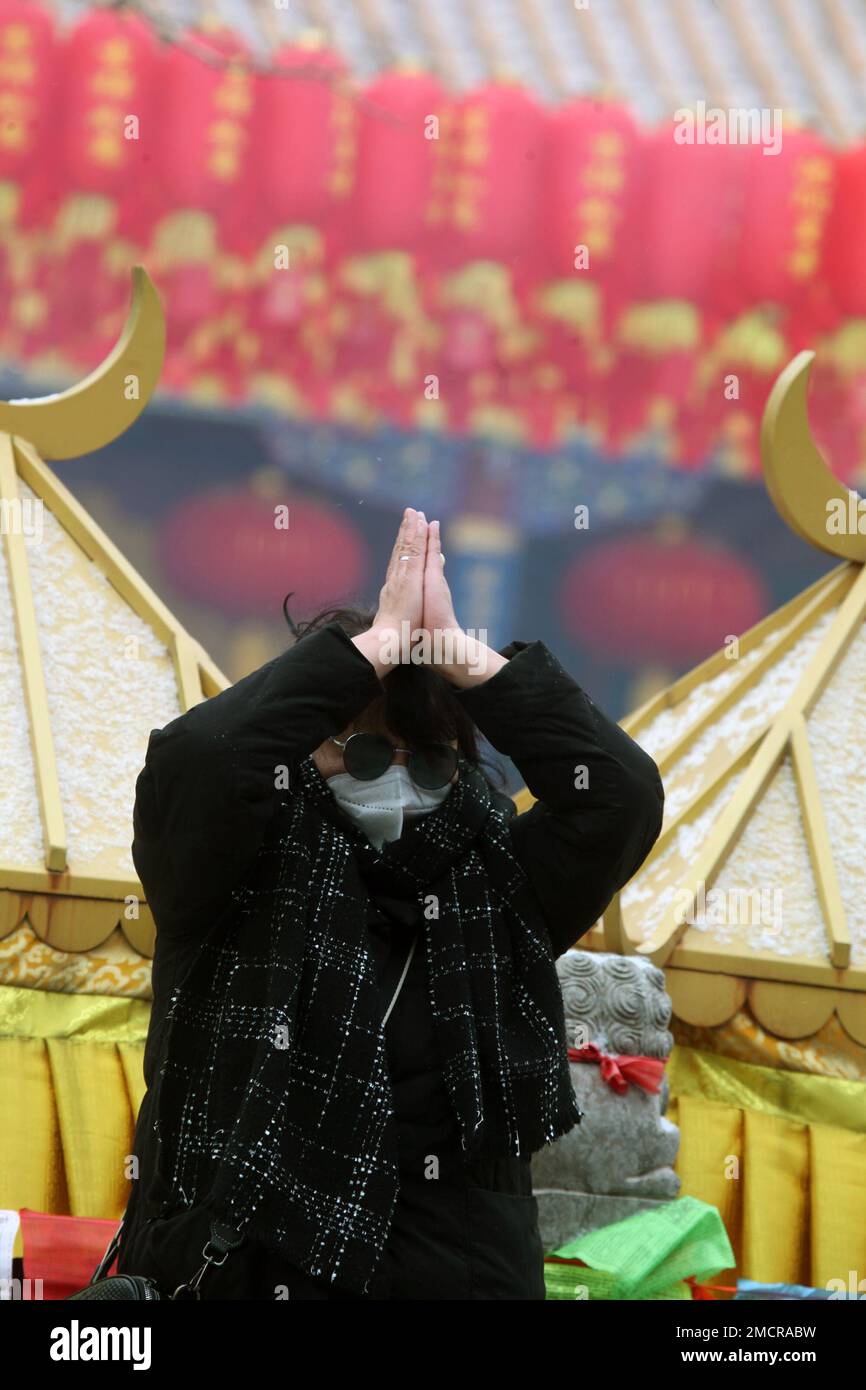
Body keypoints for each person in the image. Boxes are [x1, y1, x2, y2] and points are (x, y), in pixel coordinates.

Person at [116, 508, 664, 1300]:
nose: (396, 777)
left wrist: (460, 657)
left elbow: (621, 794)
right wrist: (366, 654)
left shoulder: (499, 880)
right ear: (306, 743)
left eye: (432, 759)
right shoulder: (230, 867)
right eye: (365, 748)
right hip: (243, 1269)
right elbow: (201, 758)